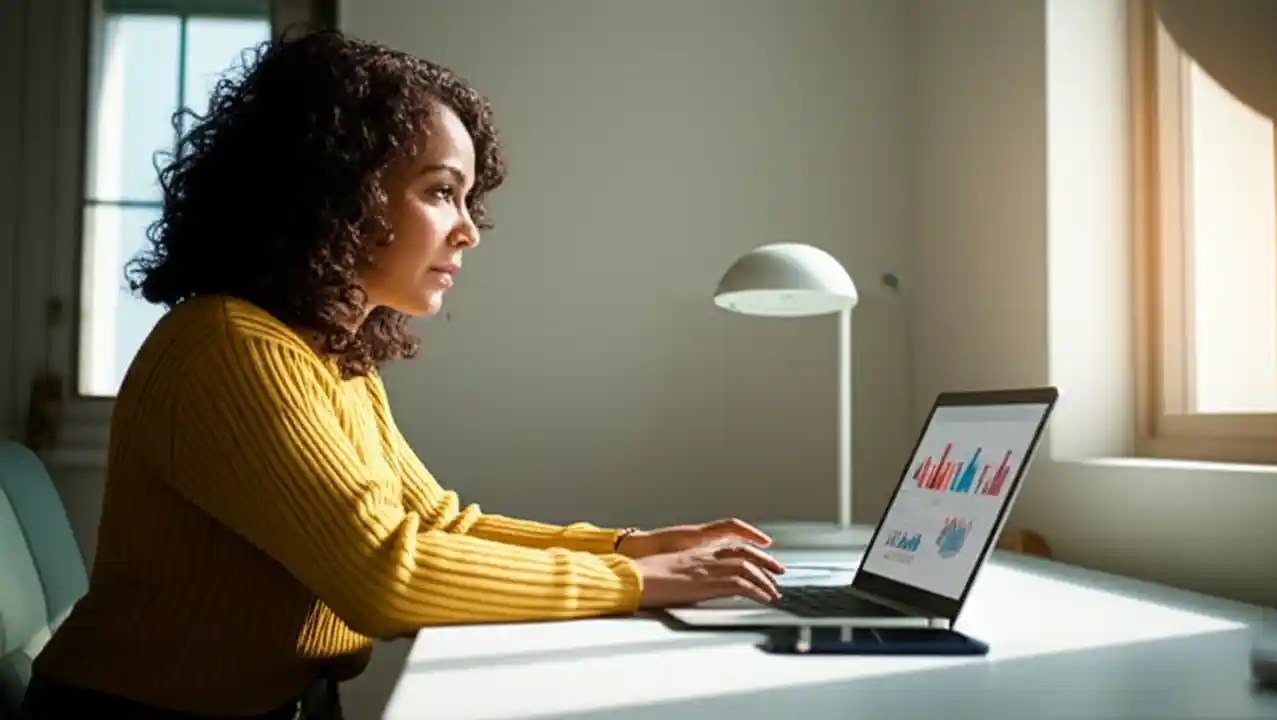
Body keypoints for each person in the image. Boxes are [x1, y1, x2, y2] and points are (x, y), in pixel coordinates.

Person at [21, 28, 785, 720]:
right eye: (439, 191)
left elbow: (434, 525)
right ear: (338, 192)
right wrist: (640, 584)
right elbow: (384, 576)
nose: (468, 231)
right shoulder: (229, 347)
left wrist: (630, 547)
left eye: (467, 197)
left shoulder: (328, 359)